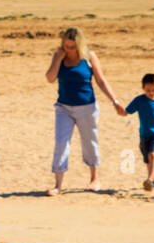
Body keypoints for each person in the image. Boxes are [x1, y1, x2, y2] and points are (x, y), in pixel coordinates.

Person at [45, 26, 123, 194]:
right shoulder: (59, 56)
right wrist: (58, 59)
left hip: (87, 108)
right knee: (61, 143)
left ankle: (94, 178)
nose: (69, 50)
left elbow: (101, 81)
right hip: (63, 108)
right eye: (66, 46)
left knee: (90, 142)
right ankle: (58, 185)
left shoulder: (89, 57)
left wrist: (114, 101)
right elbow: (50, 78)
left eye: (72, 47)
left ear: (79, 45)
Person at [118, 73, 154, 191]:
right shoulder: (139, 100)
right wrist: (121, 111)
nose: (151, 92)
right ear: (143, 88)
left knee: (153, 155)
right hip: (144, 135)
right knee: (148, 160)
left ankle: (150, 179)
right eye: (148, 90)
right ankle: (153, 181)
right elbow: (127, 111)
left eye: (153, 90)